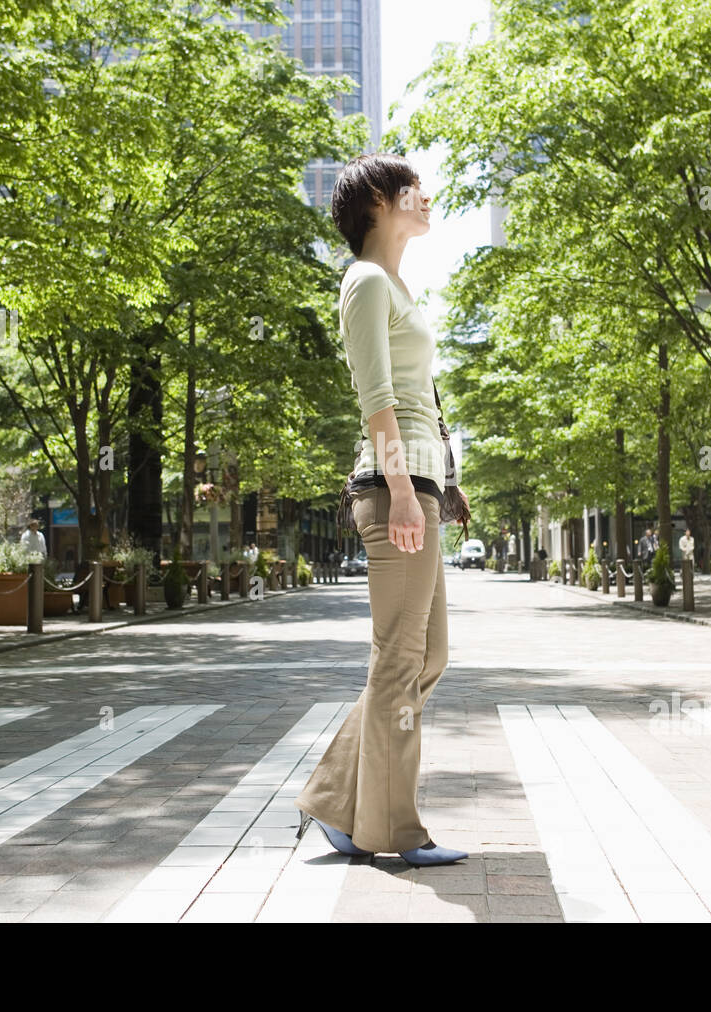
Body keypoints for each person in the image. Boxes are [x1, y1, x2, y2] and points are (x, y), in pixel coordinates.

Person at [295, 153, 466, 869]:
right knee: (400, 661)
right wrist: (401, 490)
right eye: (409, 189)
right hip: (391, 488)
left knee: (425, 656)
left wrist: (441, 482)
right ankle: (393, 830)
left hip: (417, 486)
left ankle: (336, 800)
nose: (423, 197)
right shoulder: (365, 283)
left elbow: (422, 400)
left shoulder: (397, 286)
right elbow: (378, 400)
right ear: (375, 205)